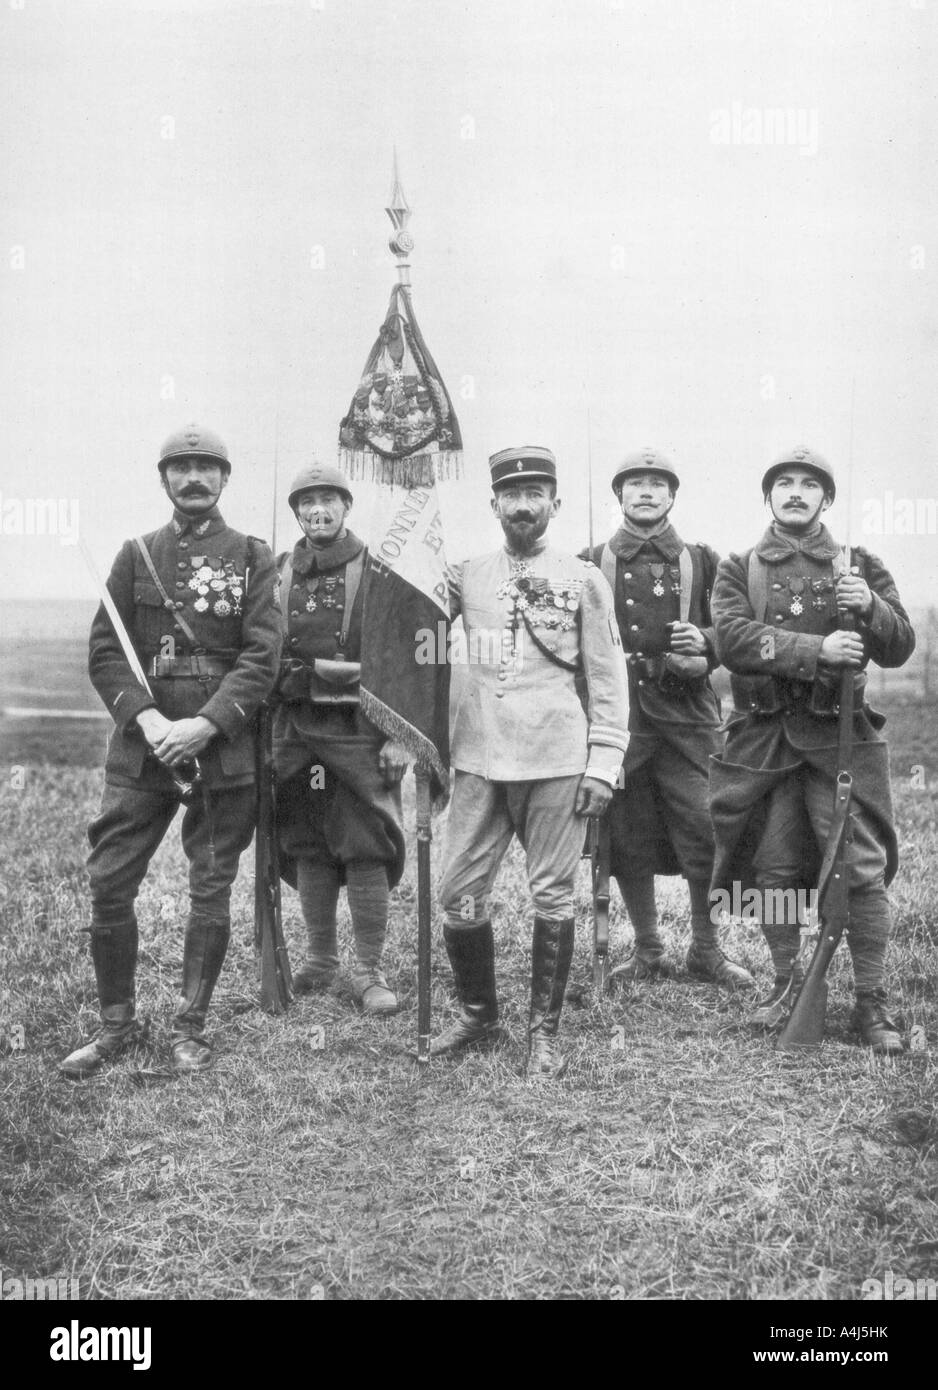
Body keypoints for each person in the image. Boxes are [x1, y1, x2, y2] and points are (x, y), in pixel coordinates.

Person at [61, 424, 281, 1078]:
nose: (193, 478)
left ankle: (189, 1028)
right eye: (181, 468)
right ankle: (116, 1026)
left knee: (210, 888)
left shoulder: (251, 557)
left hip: (223, 751)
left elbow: (262, 656)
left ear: (223, 478)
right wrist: (149, 716)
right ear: (163, 479)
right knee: (108, 880)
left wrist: (208, 724)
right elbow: (106, 650)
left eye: (206, 468)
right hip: (142, 751)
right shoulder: (136, 555)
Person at [431, 445, 630, 1077]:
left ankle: (543, 1032)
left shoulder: (583, 578)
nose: (523, 504)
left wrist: (602, 766)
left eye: (535, 493)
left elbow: (607, 678)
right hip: (482, 755)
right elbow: (408, 609)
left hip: (555, 754)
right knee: (458, 890)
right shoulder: (465, 574)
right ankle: (478, 1015)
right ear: (493, 504)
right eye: (511, 495)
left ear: (554, 504)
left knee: (552, 892)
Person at [709, 447, 915, 1052]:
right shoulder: (739, 567)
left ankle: (870, 1006)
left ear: (826, 499)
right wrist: (815, 651)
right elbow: (733, 640)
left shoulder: (860, 565)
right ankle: (785, 985)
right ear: (768, 496)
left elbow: (900, 646)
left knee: (860, 872)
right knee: (773, 869)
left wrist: (870, 608)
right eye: (783, 483)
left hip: (840, 737)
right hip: (765, 739)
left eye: (809, 485)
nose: (795, 492)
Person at [583, 448, 754, 988]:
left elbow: (737, 627)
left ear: (673, 495)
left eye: (658, 483)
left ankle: (707, 949)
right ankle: (649, 948)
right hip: (622, 723)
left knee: (704, 828)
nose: (647, 492)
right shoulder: (588, 560)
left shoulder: (704, 560)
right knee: (626, 835)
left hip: (688, 720)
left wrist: (703, 647)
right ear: (619, 496)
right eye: (635, 483)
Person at [272, 464, 409, 1015]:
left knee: (364, 843)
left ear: (346, 507)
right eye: (308, 503)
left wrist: (399, 735)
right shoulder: (278, 570)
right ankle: (321, 960)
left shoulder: (379, 569)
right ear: (297, 512)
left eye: (329, 500)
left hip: (359, 731)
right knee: (308, 839)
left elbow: (401, 660)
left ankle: (368, 971)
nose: (318, 511)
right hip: (294, 728)